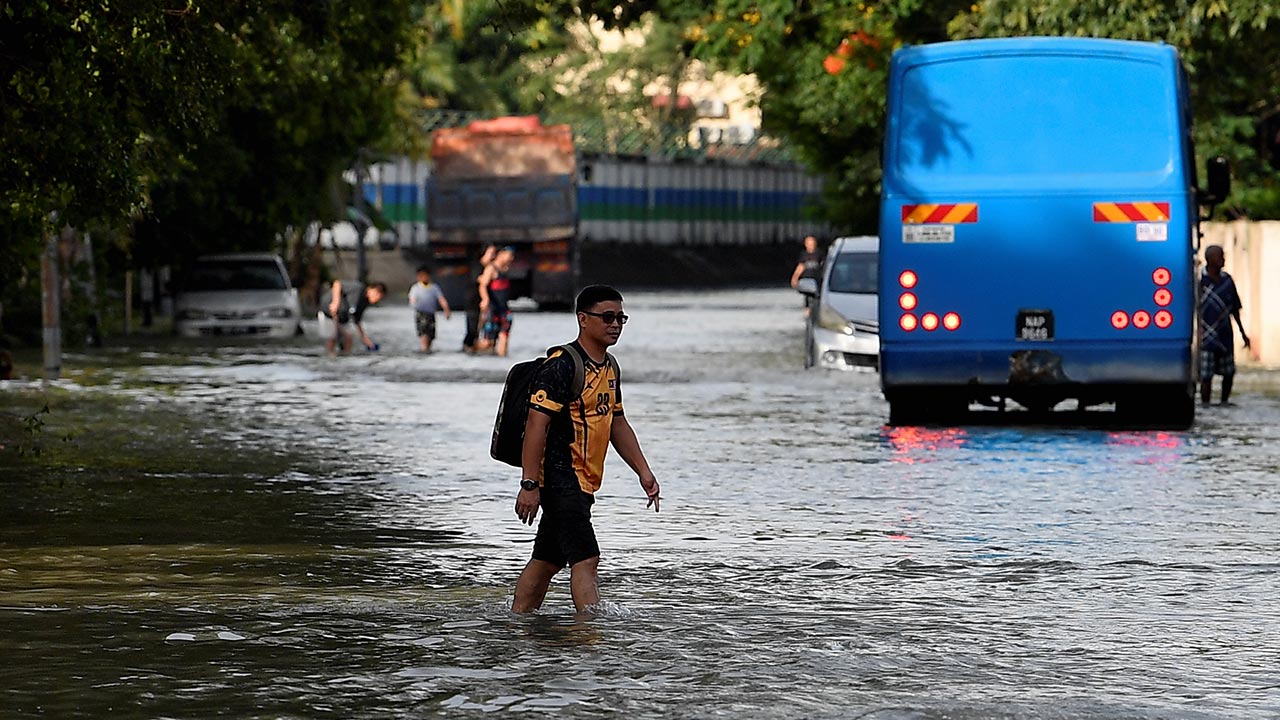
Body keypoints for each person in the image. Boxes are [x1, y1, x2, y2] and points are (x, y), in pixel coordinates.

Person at [512, 285, 661, 614]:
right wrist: (529, 484)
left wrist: (643, 471)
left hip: (584, 481)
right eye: (607, 317)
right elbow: (536, 426)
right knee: (587, 557)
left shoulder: (609, 367)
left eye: (620, 318)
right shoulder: (562, 366)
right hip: (560, 477)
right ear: (583, 318)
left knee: (547, 560)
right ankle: (589, 633)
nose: (615, 324)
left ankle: (518, 622)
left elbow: (617, 422)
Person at [1199, 244, 1250, 405]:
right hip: (1205, 337)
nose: (1223, 259)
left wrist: (1243, 334)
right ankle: (1206, 404)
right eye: (1220, 256)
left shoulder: (1227, 281)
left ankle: (1224, 402)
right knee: (1206, 375)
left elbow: (1235, 309)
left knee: (1229, 372)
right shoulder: (1200, 282)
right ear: (1210, 259)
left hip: (1225, 335)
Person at [318, 279, 387, 355]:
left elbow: (356, 320)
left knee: (348, 338)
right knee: (332, 337)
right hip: (328, 312)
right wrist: (335, 302)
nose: (377, 299)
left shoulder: (364, 303)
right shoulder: (358, 288)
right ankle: (329, 356)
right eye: (377, 295)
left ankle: (346, 356)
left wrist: (364, 338)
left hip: (342, 318)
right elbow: (337, 284)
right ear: (371, 289)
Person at [478, 246, 516, 357]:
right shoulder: (491, 268)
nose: (511, 259)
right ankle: (472, 348)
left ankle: (503, 359)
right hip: (492, 308)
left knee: (504, 335)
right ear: (501, 254)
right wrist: (485, 299)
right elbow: (482, 285)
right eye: (509, 255)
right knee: (488, 342)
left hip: (504, 308)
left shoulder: (506, 268)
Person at [408, 266, 451, 353]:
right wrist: (413, 304)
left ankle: (428, 349)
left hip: (431, 314)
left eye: (425, 275)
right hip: (421, 313)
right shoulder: (415, 288)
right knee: (424, 334)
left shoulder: (434, 288)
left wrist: (446, 310)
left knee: (431, 335)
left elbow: (441, 299)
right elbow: (412, 299)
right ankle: (424, 349)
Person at [463, 244, 497, 353]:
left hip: (482, 303)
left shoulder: (489, 268)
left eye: (494, 254)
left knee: (481, 330)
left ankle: (474, 348)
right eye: (491, 253)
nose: (493, 256)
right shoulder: (477, 266)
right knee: (472, 329)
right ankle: (467, 347)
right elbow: (479, 280)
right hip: (472, 302)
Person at [790, 235, 823, 317]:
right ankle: (808, 312)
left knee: (818, 296)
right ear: (806, 244)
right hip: (807, 279)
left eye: (812, 243)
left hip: (817, 279)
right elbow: (801, 266)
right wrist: (795, 277)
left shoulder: (819, 254)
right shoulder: (803, 255)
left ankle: (818, 312)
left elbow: (823, 265)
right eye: (809, 243)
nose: (811, 245)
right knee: (808, 296)